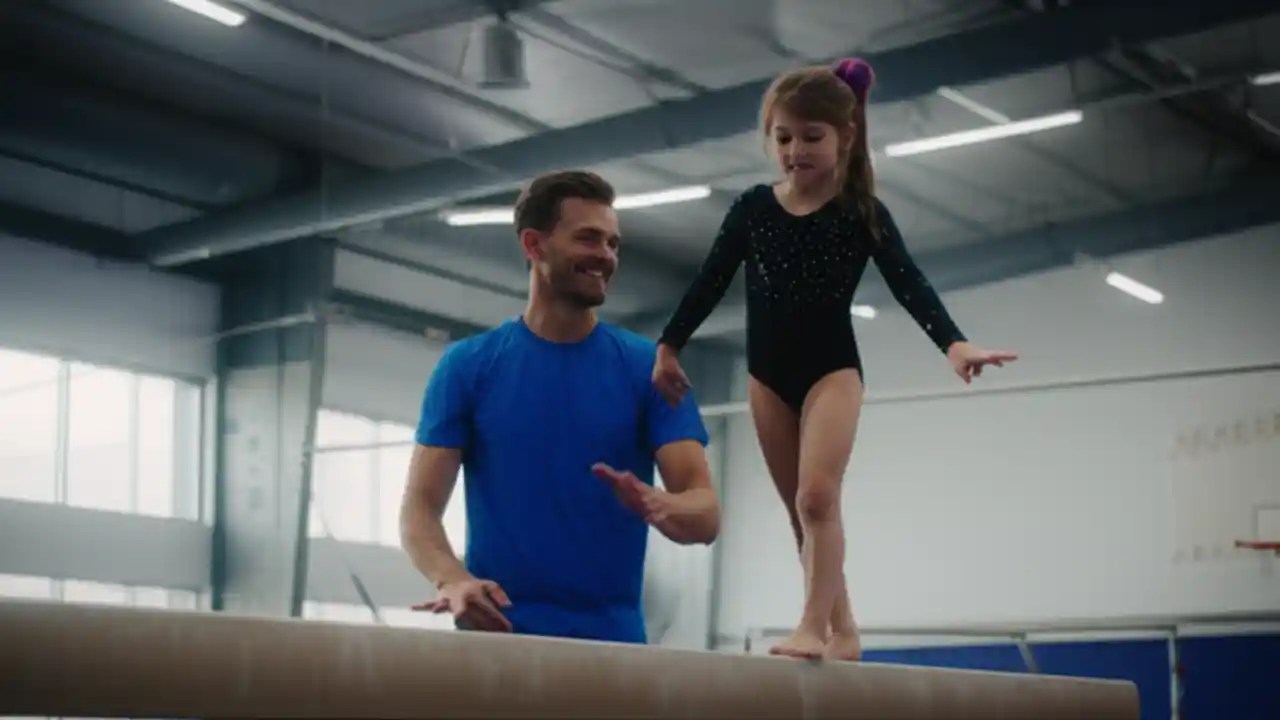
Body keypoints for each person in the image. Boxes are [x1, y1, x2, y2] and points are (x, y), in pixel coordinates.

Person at [650, 59, 1018, 661]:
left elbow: (909, 282)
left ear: (845, 137)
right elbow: (709, 281)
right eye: (783, 137)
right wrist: (669, 345)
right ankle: (844, 629)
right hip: (767, 378)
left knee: (816, 498)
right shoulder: (751, 209)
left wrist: (954, 343)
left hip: (832, 374)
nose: (795, 150)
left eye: (811, 137)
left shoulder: (860, 214)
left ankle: (813, 629)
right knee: (804, 517)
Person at [400, 169, 721, 645]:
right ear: (534, 245)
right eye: (589, 238)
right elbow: (420, 509)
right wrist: (452, 578)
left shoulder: (645, 369)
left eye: (614, 243)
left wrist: (660, 504)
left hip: (610, 639)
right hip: (498, 632)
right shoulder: (469, 367)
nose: (606, 256)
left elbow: (706, 514)